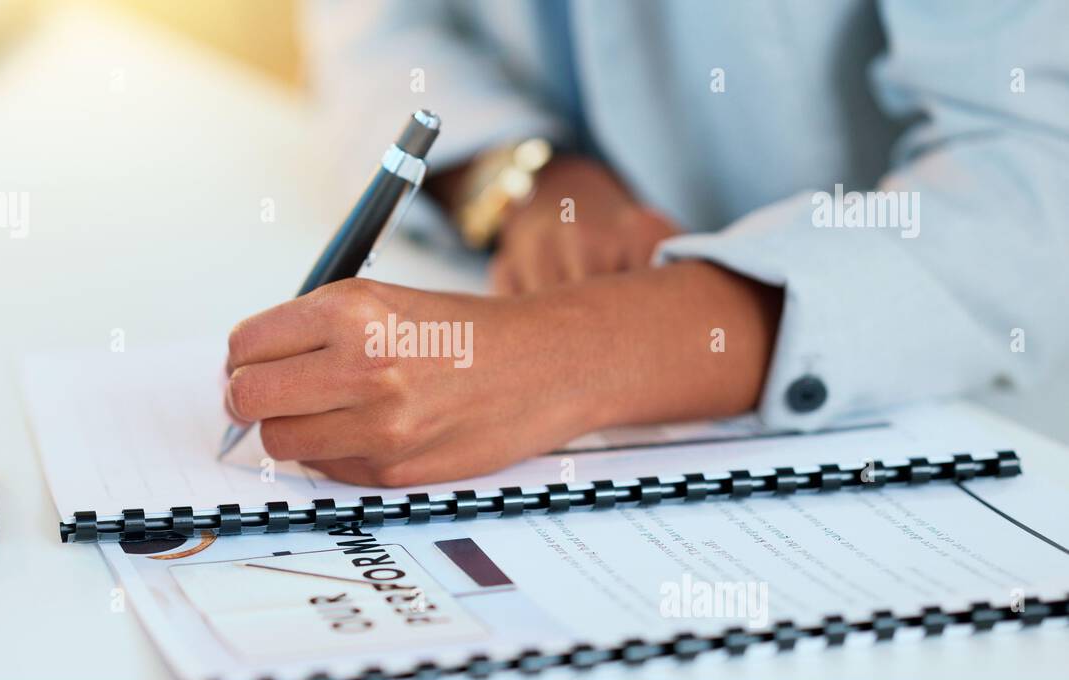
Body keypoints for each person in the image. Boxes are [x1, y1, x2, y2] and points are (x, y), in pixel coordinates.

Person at [222, 0, 1069, 487]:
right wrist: (531, 175)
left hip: (939, 404)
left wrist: (582, 349)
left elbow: (1032, 174)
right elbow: (383, 28)